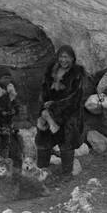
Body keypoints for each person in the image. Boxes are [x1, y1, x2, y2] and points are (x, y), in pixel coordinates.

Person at [38, 45, 88, 178]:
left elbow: (75, 97)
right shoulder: (51, 71)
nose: (63, 60)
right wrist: (44, 103)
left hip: (68, 113)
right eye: (61, 56)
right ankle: (41, 172)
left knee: (66, 141)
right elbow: (44, 89)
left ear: (72, 58)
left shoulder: (77, 75)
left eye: (66, 57)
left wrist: (55, 105)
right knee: (44, 140)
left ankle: (66, 174)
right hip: (49, 112)